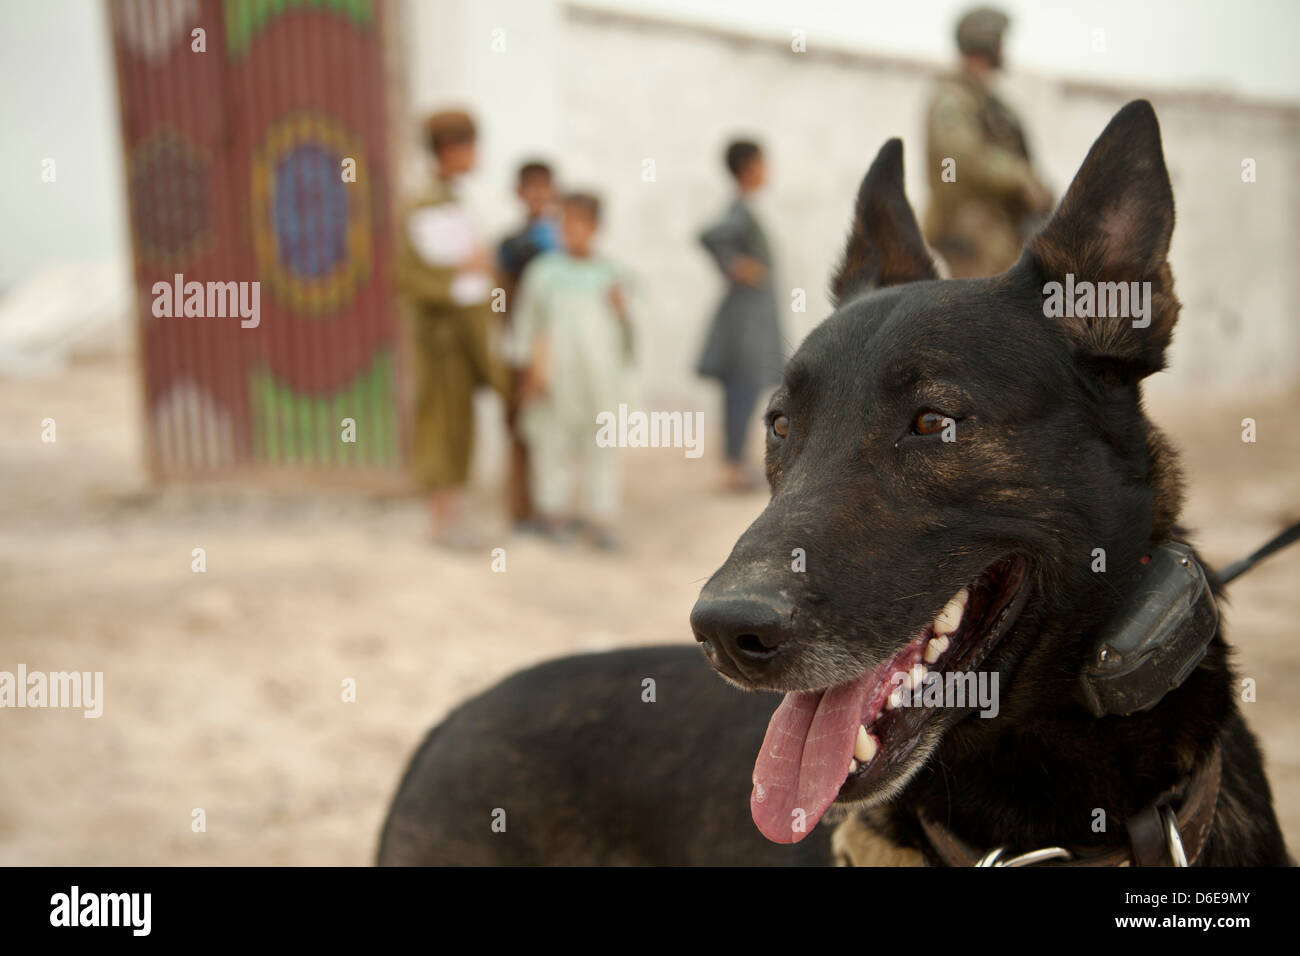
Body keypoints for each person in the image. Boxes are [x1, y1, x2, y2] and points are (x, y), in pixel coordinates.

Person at [396, 109, 506, 547]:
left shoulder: (452, 201)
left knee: (460, 423)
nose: (476, 155)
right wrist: (469, 266)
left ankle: (451, 517)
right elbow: (418, 276)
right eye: (469, 146)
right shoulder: (426, 206)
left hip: (461, 338)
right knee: (440, 425)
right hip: (441, 339)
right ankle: (440, 523)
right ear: (449, 149)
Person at [508, 193, 632, 550]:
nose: (572, 231)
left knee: (601, 449)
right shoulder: (543, 273)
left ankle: (601, 519)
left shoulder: (612, 275)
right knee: (552, 445)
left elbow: (626, 337)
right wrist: (528, 371)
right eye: (565, 222)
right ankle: (555, 515)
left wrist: (623, 311)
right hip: (554, 379)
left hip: (598, 381)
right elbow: (526, 325)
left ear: (596, 228)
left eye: (580, 223)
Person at [922, 7, 1053, 278]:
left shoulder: (985, 100)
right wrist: (1019, 177)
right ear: (985, 42)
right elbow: (960, 157)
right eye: (999, 42)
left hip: (995, 235)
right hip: (970, 234)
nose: (1003, 49)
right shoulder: (953, 98)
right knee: (977, 317)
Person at [696, 140, 783, 492]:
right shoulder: (739, 210)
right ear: (748, 168)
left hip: (749, 319)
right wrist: (735, 265)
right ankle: (732, 466)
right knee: (741, 388)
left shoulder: (746, 209)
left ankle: (735, 462)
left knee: (744, 389)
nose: (767, 171)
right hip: (743, 323)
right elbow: (707, 235)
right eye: (762, 164)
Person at [497, 161, 561, 531]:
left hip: (561, 351)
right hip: (522, 350)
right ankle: (522, 509)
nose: (537, 196)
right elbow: (501, 298)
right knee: (522, 427)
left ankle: (557, 509)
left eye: (544, 188)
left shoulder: (565, 241)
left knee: (559, 428)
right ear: (518, 194)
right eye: (530, 189)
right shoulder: (509, 247)